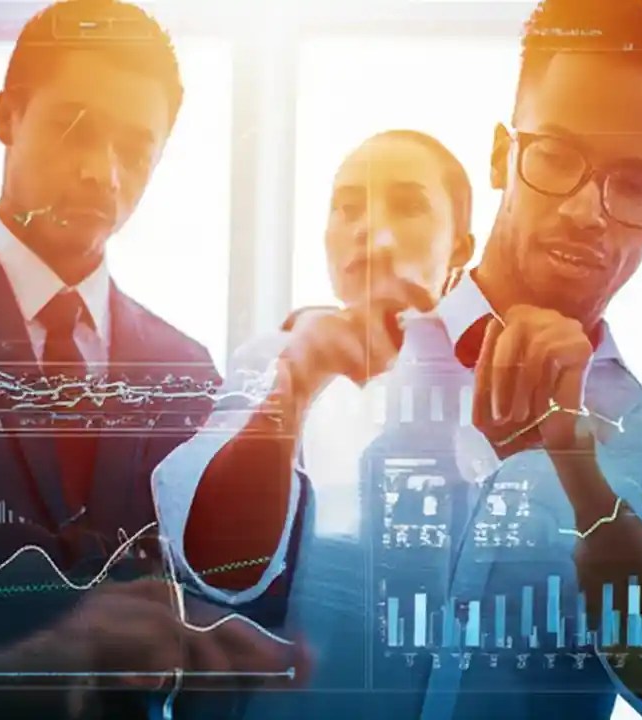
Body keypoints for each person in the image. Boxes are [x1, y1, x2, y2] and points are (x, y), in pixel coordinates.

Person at [155, 1, 642, 718]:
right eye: (556, 156)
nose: (583, 210)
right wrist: (291, 397)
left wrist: (580, 472)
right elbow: (209, 566)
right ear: (501, 155)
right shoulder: (308, 361)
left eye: (634, 185)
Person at [0, 0, 299, 714]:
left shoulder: (186, 370)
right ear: (6, 116)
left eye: (136, 146)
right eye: (74, 128)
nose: (102, 174)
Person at [153, 128, 475, 719]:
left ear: (461, 247)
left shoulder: (499, 392)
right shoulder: (271, 361)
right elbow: (219, 563)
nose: (368, 228)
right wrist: (297, 383)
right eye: (347, 207)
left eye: (408, 205)